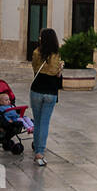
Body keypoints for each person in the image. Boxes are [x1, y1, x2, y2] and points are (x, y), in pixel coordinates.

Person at [29, 28, 63, 168]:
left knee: (37, 121)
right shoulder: (56, 55)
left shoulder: (36, 53)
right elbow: (56, 74)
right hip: (50, 91)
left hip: (36, 89)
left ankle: (38, 149)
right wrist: (60, 69)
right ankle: (40, 152)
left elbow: (35, 69)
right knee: (44, 122)